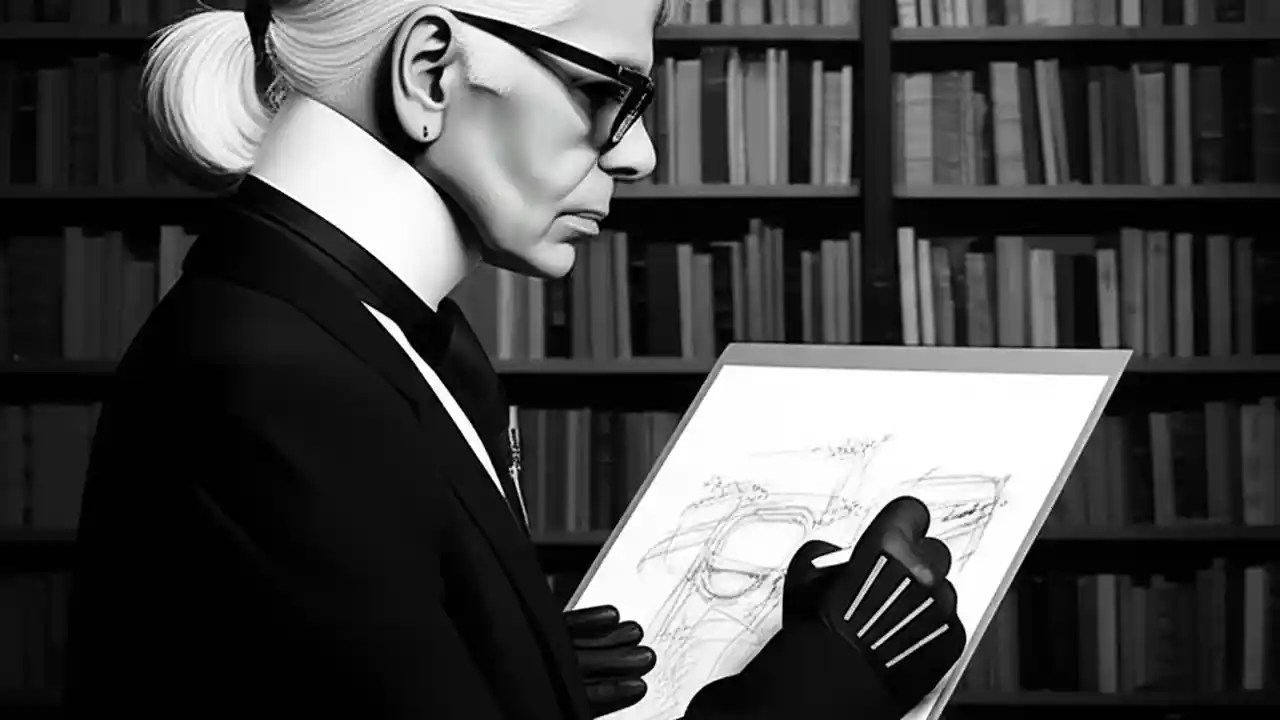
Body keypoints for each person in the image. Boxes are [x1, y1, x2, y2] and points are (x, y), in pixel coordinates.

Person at [62, 1, 967, 718]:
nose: (640, 153)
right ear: (429, 73)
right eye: (604, 90)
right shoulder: (272, 382)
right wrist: (831, 678)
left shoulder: (372, 334)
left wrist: (514, 667)